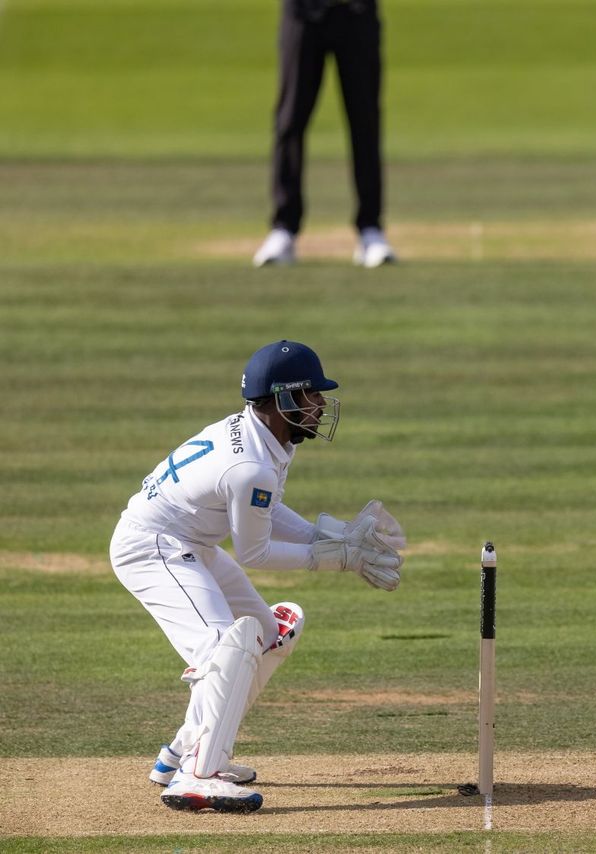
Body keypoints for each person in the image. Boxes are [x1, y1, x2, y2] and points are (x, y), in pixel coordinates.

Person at [110, 340, 406, 813]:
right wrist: (339, 558)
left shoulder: (260, 437)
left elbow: (262, 513)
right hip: (154, 548)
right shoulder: (251, 467)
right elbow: (254, 550)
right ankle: (197, 777)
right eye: (313, 394)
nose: (322, 405)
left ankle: (184, 751)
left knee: (268, 635)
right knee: (222, 644)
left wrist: (320, 535)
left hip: (190, 543)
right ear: (284, 398)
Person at [253, 0, 395, 268]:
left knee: (365, 120)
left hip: (356, 11)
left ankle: (370, 229)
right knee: (289, 121)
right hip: (303, 12)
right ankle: (284, 228)